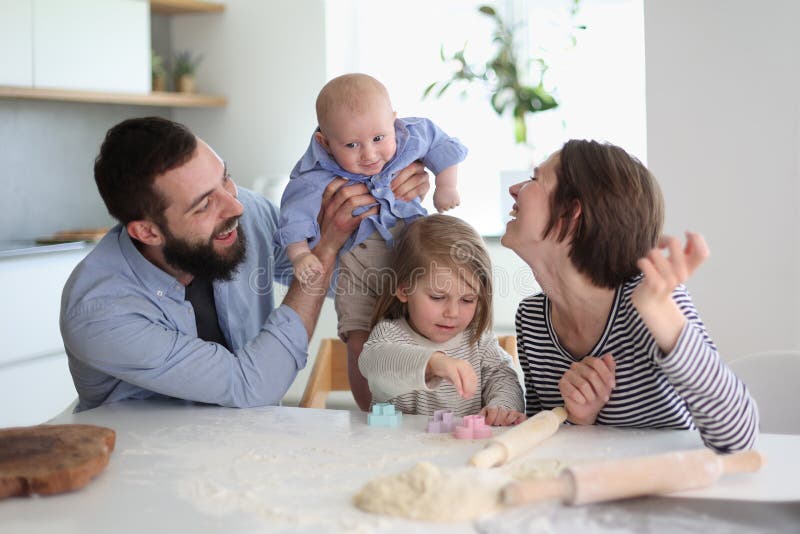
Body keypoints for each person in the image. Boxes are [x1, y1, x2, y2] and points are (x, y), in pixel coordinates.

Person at [60, 116, 429, 412]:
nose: (234, 206)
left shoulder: (247, 215)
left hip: (238, 450)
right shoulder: (100, 312)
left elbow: (360, 286)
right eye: (204, 204)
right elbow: (251, 385)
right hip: (139, 473)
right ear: (147, 231)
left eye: (226, 178)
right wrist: (325, 250)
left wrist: (391, 206)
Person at [502, 139, 758, 452]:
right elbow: (538, 446)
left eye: (534, 180)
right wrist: (580, 421)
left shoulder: (650, 301)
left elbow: (740, 437)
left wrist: (661, 314)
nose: (514, 189)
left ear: (572, 211)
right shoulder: (532, 320)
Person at [274, 73, 468, 410]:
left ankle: (438, 405)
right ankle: (370, 409)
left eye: (379, 137)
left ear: (395, 120)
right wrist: (301, 253)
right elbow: (295, 214)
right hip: (358, 264)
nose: (369, 154)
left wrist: (446, 185)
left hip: (411, 251)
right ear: (324, 142)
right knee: (359, 335)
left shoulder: (410, 136)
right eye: (351, 145)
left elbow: (440, 143)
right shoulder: (313, 174)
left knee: (423, 325)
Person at [358, 214, 525, 425]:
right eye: (437, 297)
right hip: (396, 452)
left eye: (467, 299)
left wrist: (502, 407)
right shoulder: (390, 335)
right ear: (404, 289)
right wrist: (433, 362)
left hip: (463, 452)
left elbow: (503, 377)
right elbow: (372, 363)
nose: (453, 312)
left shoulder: (479, 340)